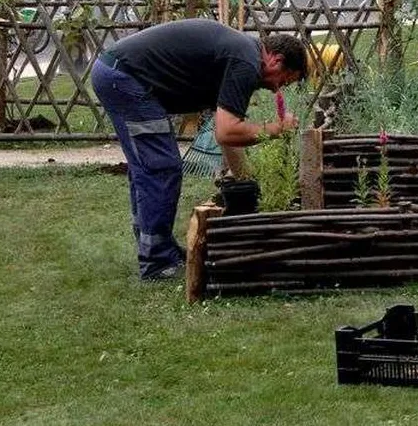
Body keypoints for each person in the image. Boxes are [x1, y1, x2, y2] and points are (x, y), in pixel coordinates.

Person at [90, 18, 306, 280]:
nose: (276, 89)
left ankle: (158, 248)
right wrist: (276, 129)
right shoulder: (246, 62)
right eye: (284, 81)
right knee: (161, 167)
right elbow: (227, 131)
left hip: (118, 73)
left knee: (148, 166)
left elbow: (225, 131)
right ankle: (157, 262)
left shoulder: (243, 55)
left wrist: (245, 179)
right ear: (276, 60)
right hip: (125, 78)